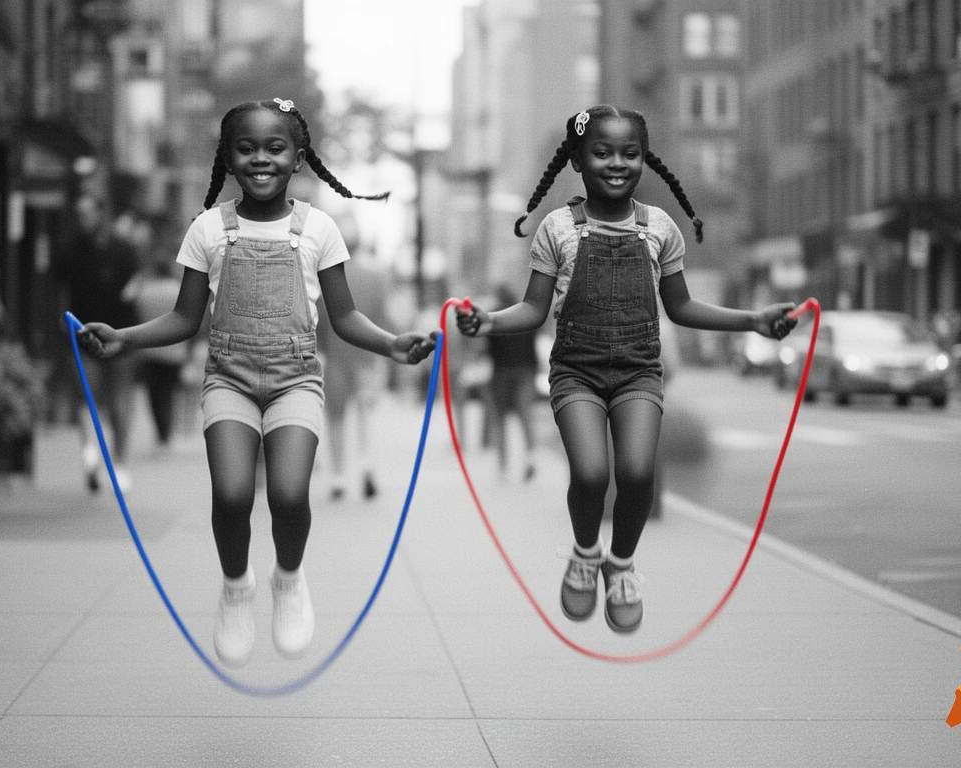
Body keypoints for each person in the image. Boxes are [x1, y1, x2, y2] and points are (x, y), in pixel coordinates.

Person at [74, 98, 436, 667]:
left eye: (275, 148)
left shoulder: (318, 228)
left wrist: (391, 344)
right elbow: (184, 318)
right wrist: (125, 338)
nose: (260, 159)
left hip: (296, 381)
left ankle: (288, 580)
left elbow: (343, 318)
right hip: (229, 380)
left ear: (298, 158)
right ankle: (236, 588)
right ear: (229, 157)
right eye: (246, 148)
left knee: (289, 495)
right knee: (233, 495)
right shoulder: (207, 229)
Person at [456, 106, 795, 634]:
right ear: (578, 160)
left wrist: (754, 320)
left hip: (639, 370)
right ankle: (586, 553)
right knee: (591, 474)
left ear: (644, 160)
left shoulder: (659, 227)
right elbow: (532, 310)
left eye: (630, 154)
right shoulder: (557, 229)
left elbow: (681, 308)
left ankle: (621, 565)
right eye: (603, 152)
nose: (617, 163)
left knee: (637, 474)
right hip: (577, 373)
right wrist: (487, 322)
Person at [54, 194, 141, 494]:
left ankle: (119, 463)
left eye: (87, 213)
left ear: (102, 214)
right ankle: (91, 453)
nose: (82, 219)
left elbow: (135, 288)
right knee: (87, 399)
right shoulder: (69, 251)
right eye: (78, 213)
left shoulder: (124, 250)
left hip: (120, 336)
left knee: (119, 404)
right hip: (82, 337)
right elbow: (60, 293)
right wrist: (64, 329)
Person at [316, 213, 391, 501]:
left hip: (335, 357)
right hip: (367, 357)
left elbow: (320, 322)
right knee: (364, 416)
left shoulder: (326, 278)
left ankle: (338, 478)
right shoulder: (376, 276)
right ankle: (367, 465)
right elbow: (382, 318)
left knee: (335, 418)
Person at [126, 246, 192, 451]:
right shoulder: (179, 289)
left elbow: (130, 306)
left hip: (150, 351)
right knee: (169, 393)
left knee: (154, 394)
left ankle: (160, 432)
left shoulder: (146, 291)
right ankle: (166, 432)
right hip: (175, 352)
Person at [483, 284, 538, 482]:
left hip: (501, 372)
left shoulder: (494, 317)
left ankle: (503, 465)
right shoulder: (526, 315)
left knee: (500, 419)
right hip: (525, 370)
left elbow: (486, 348)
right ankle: (530, 458)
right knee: (525, 416)